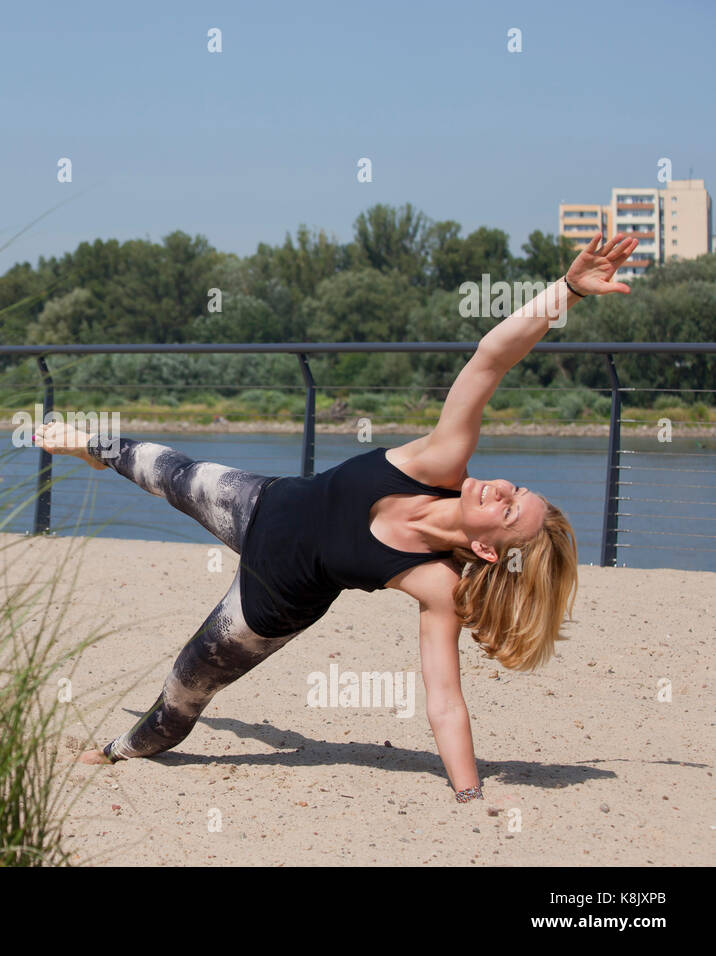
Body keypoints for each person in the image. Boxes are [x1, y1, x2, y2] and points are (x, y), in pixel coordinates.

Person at [33, 232, 638, 803]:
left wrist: (467, 791)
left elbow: (445, 698)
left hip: (270, 603)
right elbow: (491, 357)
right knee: (163, 468)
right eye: (517, 488)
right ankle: (89, 446)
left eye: (507, 509)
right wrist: (571, 288)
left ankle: (119, 750)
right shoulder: (442, 458)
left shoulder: (437, 584)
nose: (503, 487)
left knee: (186, 687)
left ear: (487, 550)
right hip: (263, 501)